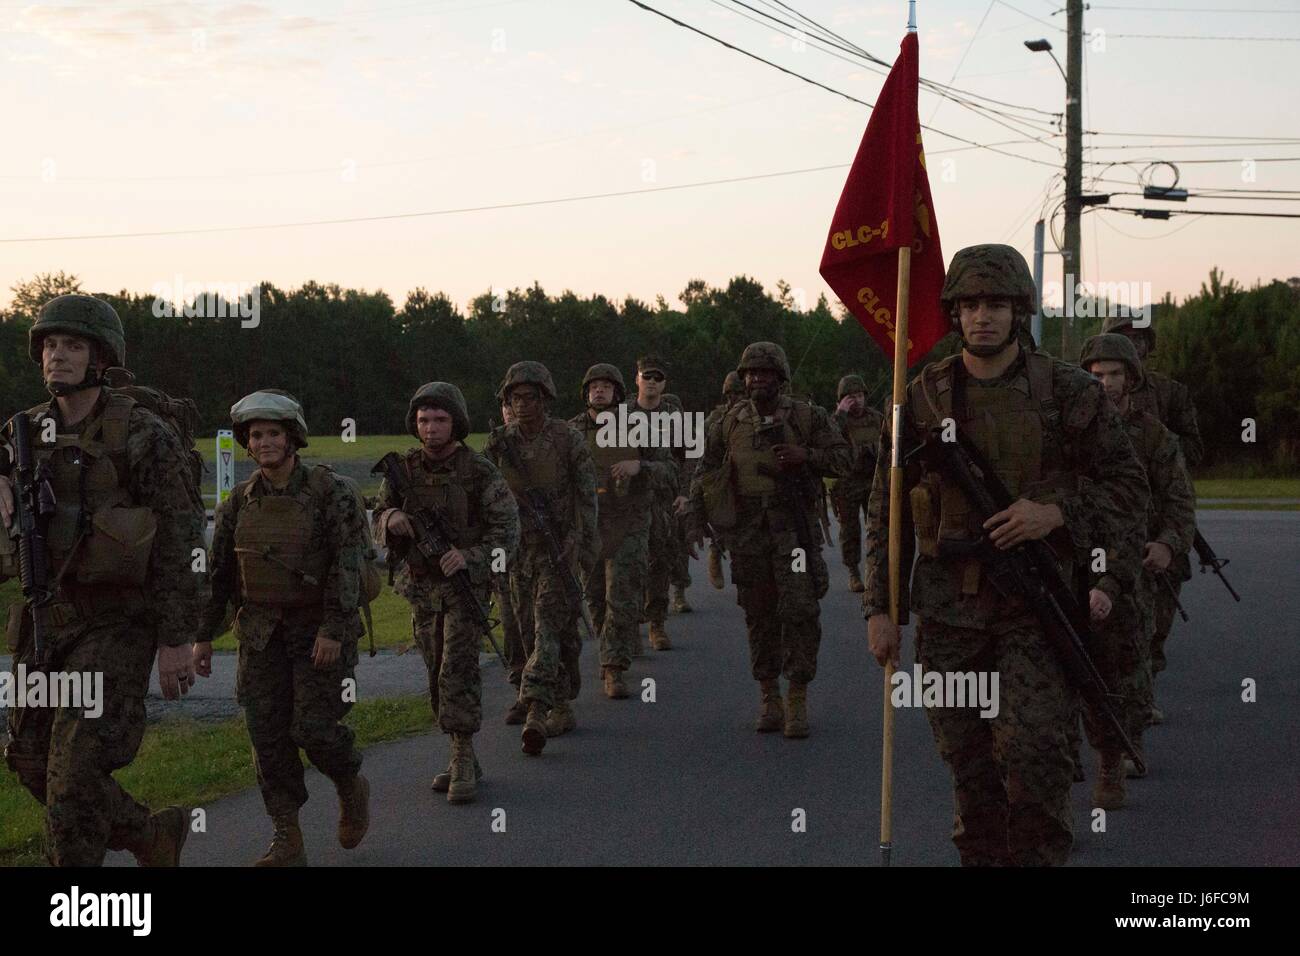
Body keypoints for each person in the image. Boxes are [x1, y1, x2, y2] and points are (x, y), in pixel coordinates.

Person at [862, 245, 1148, 865]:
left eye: (995, 303)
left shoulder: (1067, 393)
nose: (981, 316)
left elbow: (1128, 486)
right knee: (971, 776)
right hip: (949, 616)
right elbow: (885, 507)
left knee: (1037, 767)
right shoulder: (921, 398)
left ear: (1019, 311)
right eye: (968, 304)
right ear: (953, 314)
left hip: (1035, 612)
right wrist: (880, 610)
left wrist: (1056, 511)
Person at [0, 294, 206, 867]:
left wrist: (175, 639)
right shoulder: (24, 432)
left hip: (117, 624)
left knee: (73, 780)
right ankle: (148, 835)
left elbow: (182, 540)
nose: (56, 356)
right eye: (49, 345)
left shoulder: (141, 434)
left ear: (100, 356)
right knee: (28, 759)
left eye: (72, 345)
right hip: (46, 618)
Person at [195, 389, 370, 865]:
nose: (265, 442)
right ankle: (286, 836)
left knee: (313, 728)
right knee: (267, 738)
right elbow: (220, 576)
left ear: (293, 438)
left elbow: (346, 566)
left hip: (318, 631)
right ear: (246, 444)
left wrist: (334, 628)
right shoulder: (237, 503)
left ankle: (350, 781)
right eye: (256, 435)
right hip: (260, 635)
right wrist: (204, 635)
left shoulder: (330, 494)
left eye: (273, 433)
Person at [686, 342, 850, 738]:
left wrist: (805, 455)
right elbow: (705, 471)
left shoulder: (809, 416)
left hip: (793, 530)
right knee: (758, 615)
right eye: (750, 374)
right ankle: (768, 695)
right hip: (748, 534)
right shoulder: (728, 421)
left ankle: (796, 697)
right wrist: (694, 516)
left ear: (781, 377)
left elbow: (846, 459)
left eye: (765, 373)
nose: (757, 379)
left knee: (799, 611)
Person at [372, 382, 519, 802]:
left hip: (463, 590)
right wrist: (392, 517)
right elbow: (376, 517)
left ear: (456, 423)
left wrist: (469, 557)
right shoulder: (403, 470)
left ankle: (462, 754)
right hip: (420, 590)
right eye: (423, 420)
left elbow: (508, 534)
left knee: (458, 671)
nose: (431, 428)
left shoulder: (479, 471)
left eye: (439, 420)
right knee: (435, 674)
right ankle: (462, 756)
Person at [1079, 334, 1194, 802]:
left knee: (1127, 662)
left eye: (1113, 374)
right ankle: (1067, 750)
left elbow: (1180, 502)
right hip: (1081, 559)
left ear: (1131, 378)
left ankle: (1117, 753)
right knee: (1068, 656)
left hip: (1137, 563)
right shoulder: (1070, 432)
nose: (1104, 382)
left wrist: (1168, 544)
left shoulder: (1155, 437)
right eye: (1096, 374)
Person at [484, 362, 597, 753]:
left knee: (548, 622)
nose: (522, 405)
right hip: (517, 552)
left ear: (545, 399)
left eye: (530, 398)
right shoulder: (499, 443)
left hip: (558, 549)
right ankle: (559, 701)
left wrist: (581, 546)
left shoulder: (568, 439)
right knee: (529, 631)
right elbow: (482, 495)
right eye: (515, 398)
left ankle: (537, 708)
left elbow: (586, 497)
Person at [1101, 313, 1201, 723]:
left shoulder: (1169, 395)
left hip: (1155, 523)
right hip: (1103, 538)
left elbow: (1191, 453)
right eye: (1124, 338)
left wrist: (1158, 450)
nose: (1133, 345)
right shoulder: (1082, 403)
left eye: (1139, 340)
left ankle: (1137, 706)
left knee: (1149, 629)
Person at [569, 364, 674, 698]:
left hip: (629, 522)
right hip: (589, 526)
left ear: (617, 392)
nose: (599, 391)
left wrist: (640, 466)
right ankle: (608, 651)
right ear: (586, 392)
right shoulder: (570, 432)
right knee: (595, 597)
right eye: (593, 386)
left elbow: (669, 470)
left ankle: (613, 668)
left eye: (606, 386)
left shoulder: (638, 427)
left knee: (623, 595)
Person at [629, 356, 685, 648]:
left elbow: (688, 457)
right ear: (636, 378)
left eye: (657, 377)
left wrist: (685, 493)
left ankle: (657, 623)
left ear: (664, 383)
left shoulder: (674, 415)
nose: (651, 381)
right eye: (646, 376)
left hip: (662, 500)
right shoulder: (621, 413)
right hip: (628, 502)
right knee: (630, 562)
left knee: (660, 560)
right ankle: (631, 621)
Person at [829, 374, 884, 593]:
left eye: (860, 395)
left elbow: (889, 443)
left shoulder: (877, 418)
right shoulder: (837, 421)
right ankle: (853, 571)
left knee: (878, 528)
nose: (857, 400)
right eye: (851, 397)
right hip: (848, 482)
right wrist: (840, 413)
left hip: (873, 480)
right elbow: (828, 439)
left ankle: (875, 570)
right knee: (849, 530)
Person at [704, 371, 746, 589]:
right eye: (730, 395)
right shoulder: (717, 419)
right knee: (722, 525)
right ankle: (716, 553)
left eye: (739, 394)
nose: (734, 399)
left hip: (748, 478)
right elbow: (703, 453)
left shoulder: (753, 415)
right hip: (724, 482)